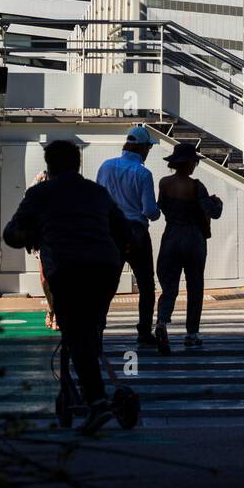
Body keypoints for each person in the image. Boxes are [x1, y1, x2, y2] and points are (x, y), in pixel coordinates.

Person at [4, 139, 131, 435]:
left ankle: (97, 402)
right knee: (90, 329)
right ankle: (95, 384)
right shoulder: (96, 193)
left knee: (76, 336)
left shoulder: (40, 194)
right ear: (78, 164)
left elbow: (12, 234)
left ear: (49, 166)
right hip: (104, 268)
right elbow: (126, 230)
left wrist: (31, 232)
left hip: (67, 269)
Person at [153, 142, 223, 353]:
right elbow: (214, 212)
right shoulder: (197, 186)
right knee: (195, 288)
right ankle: (191, 334)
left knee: (169, 287)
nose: (195, 166)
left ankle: (162, 323)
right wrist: (218, 202)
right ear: (189, 164)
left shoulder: (164, 183)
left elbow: (162, 207)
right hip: (193, 240)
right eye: (194, 162)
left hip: (171, 236)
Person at [96, 126, 161, 348]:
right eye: (149, 147)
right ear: (142, 147)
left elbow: (99, 199)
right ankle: (144, 332)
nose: (149, 151)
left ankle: (97, 330)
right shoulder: (143, 174)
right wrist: (158, 211)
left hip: (110, 232)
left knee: (105, 285)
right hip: (136, 233)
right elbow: (149, 210)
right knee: (146, 285)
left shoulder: (106, 167)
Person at [32, 169, 59, 330]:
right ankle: (51, 309)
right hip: (43, 234)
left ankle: (58, 314)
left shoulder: (71, 180)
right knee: (44, 278)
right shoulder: (42, 177)